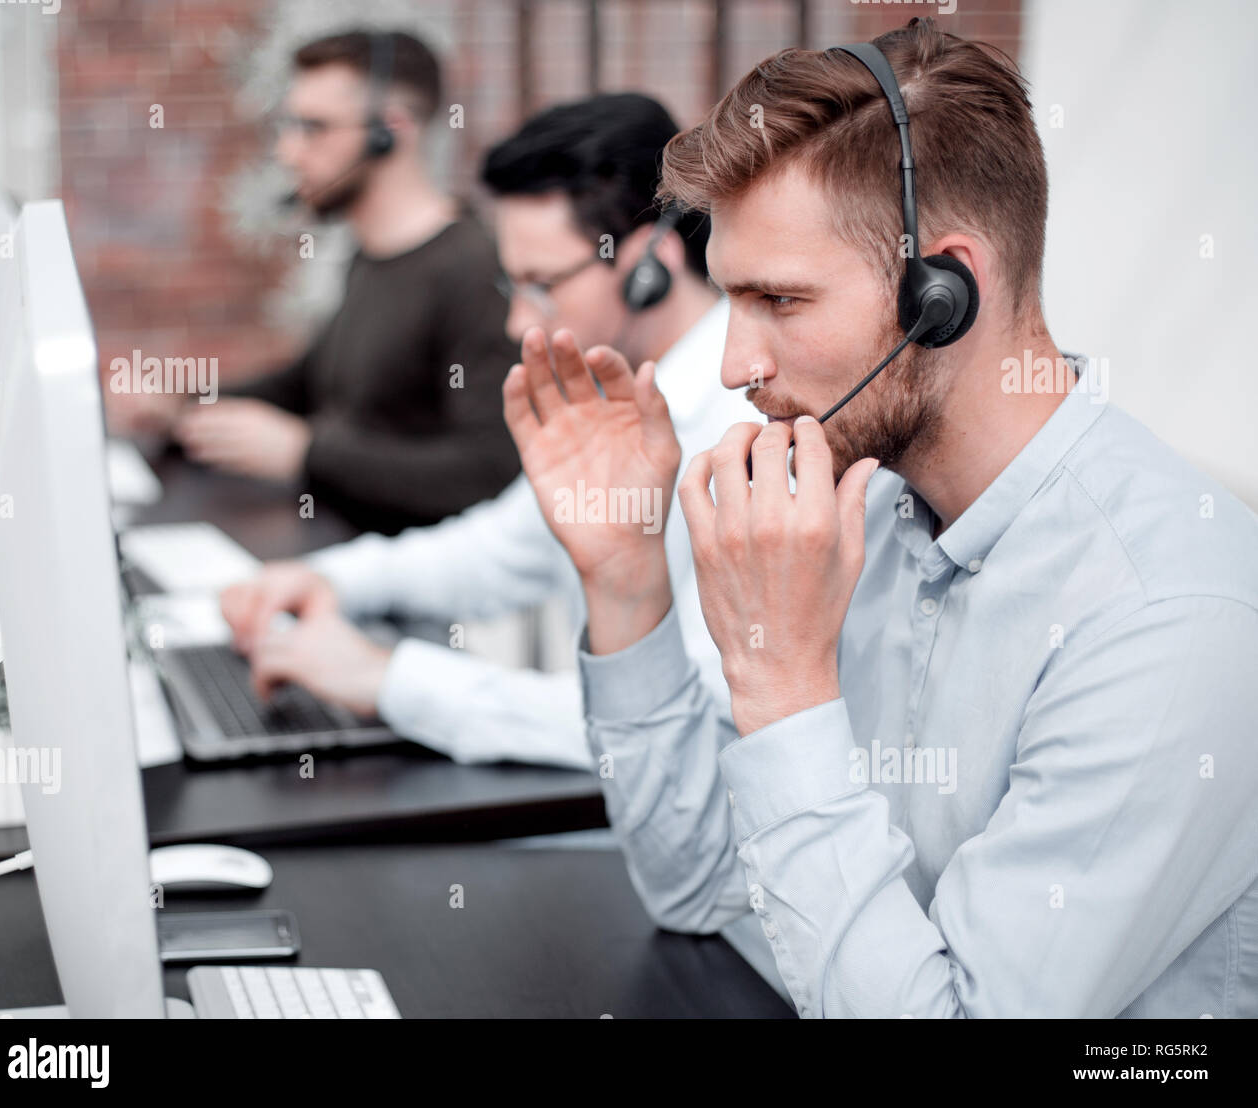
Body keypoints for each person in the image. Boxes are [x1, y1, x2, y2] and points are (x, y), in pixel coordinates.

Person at [500, 20, 1258, 1017]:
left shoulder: (1170, 619)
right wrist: (624, 575)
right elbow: (701, 889)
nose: (734, 365)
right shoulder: (867, 510)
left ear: (943, 291)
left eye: (779, 298)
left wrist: (783, 683)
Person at [218, 93, 757, 769]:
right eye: (513, 288)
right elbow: (493, 551)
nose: (517, 325)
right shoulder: (617, 403)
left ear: (650, 264)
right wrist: (325, 579)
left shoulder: (744, 432)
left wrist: (384, 678)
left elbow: (701, 718)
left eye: (541, 284)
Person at [137, 29, 521, 535]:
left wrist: (306, 452)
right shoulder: (371, 256)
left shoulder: (472, 270)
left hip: (412, 589)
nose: (288, 152)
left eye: (313, 128)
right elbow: (311, 382)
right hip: (334, 553)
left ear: (390, 132)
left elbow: (486, 472)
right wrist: (186, 401)